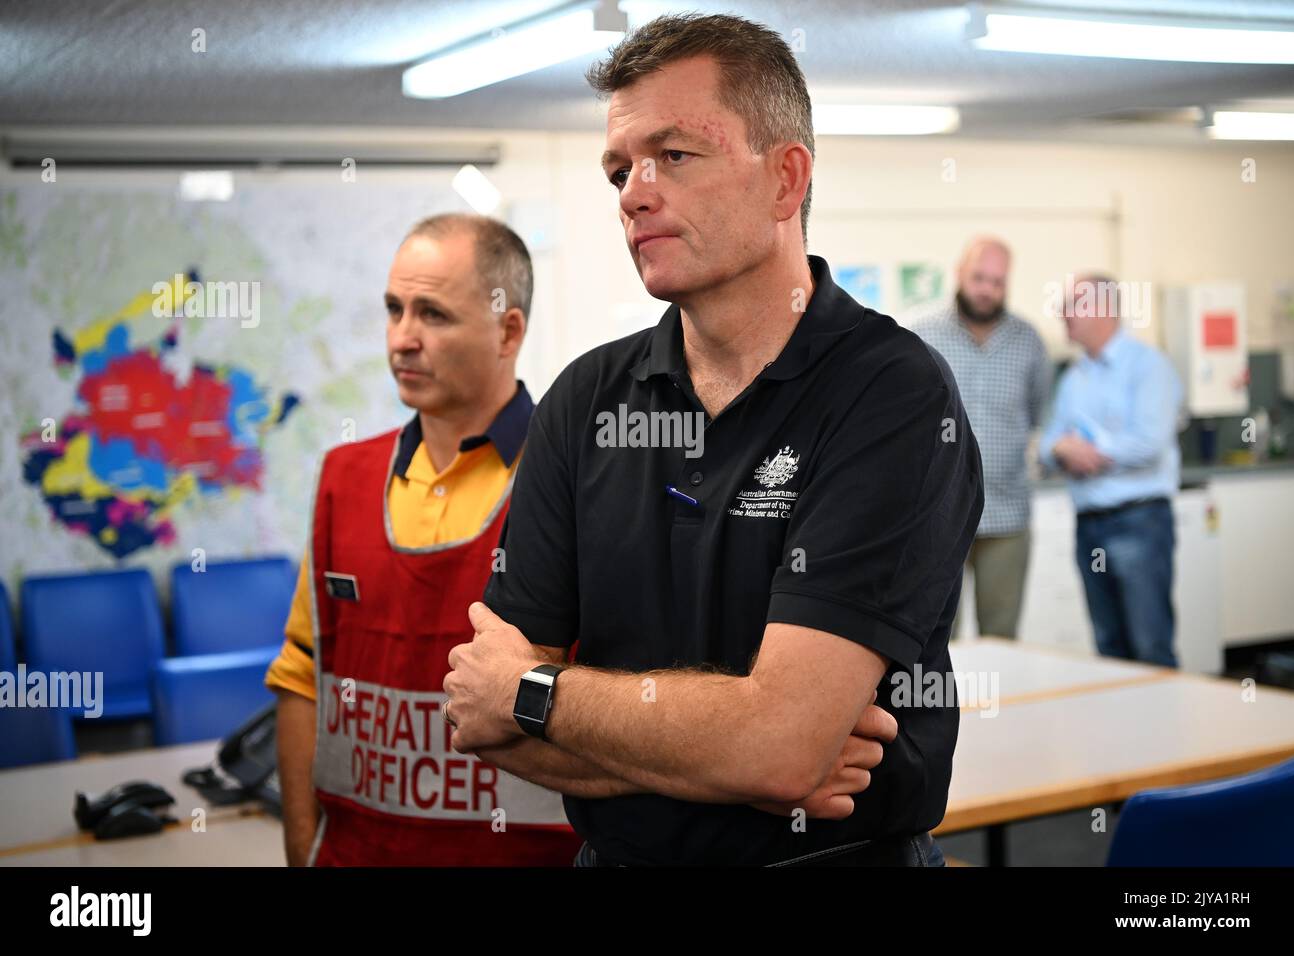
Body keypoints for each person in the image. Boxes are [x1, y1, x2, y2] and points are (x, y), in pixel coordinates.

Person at [441, 13, 983, 866]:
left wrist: (535, 696)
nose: (633, 192)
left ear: (785, 180)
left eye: (675, 156)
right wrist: (740, 755)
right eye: (620, 169)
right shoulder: (584, 400)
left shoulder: (893, 393)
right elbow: (485, 724)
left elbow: (778, 746)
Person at [263, 213, 584, 865]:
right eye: (394, 309)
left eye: (433, 315)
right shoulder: (342, 480)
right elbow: (302, 677)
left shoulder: (578, 483)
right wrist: (303, 846)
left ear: (508, 330)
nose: (402, 340)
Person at [1039, 274, 1182, 667]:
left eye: (1072, 304)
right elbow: (1050, 444)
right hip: (1090, 527)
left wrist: (1087, 452)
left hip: (1139, 522)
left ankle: (1162, 728)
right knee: (1109, 648)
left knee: (1150, 644)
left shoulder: (1148, 366)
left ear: (1102, 308)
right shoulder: (1073, 378)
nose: (1062, 313)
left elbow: (1150, 442)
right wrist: (1060, 448)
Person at [914, 237, 1052, 639]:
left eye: (997, 281)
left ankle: (998, 704)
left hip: (1007, 514)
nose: (986, 289)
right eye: (979, 277)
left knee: (1002, 638)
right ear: (959, 273)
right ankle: (937, 706)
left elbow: (1038, 412)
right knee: (932, 638)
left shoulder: (1029, 342)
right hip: (936, 516)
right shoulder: (919, 334)